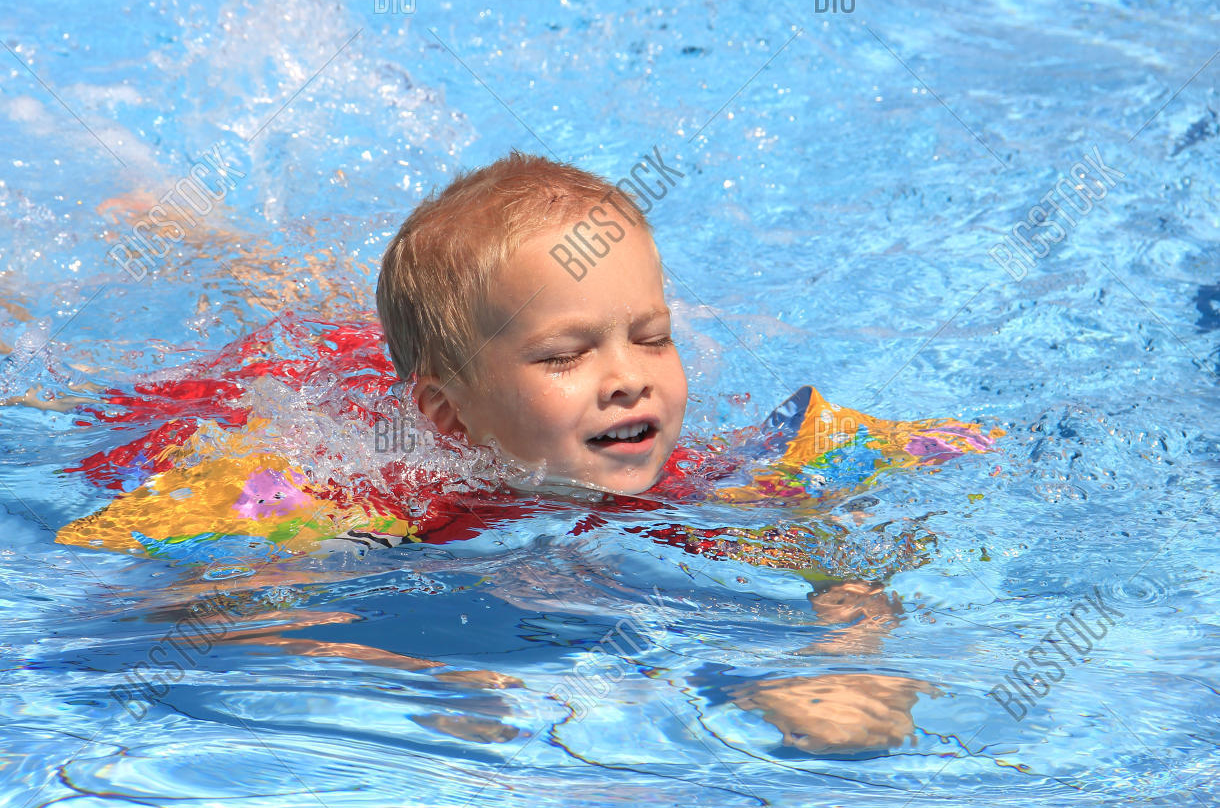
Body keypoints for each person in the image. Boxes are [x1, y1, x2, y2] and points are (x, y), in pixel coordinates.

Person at [57, 151, 999, 753]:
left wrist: (848, 649)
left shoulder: (689, 473)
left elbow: (844, 535)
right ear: (454, 419)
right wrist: (408, 668)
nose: (629, 379)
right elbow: (177, 610)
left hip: (431, 368)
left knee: (339, 308)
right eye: (567, 354)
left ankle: (222, 242)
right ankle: (191, 234)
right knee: (60, 385)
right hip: (252, 393)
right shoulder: (369, 491)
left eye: (652, 335)